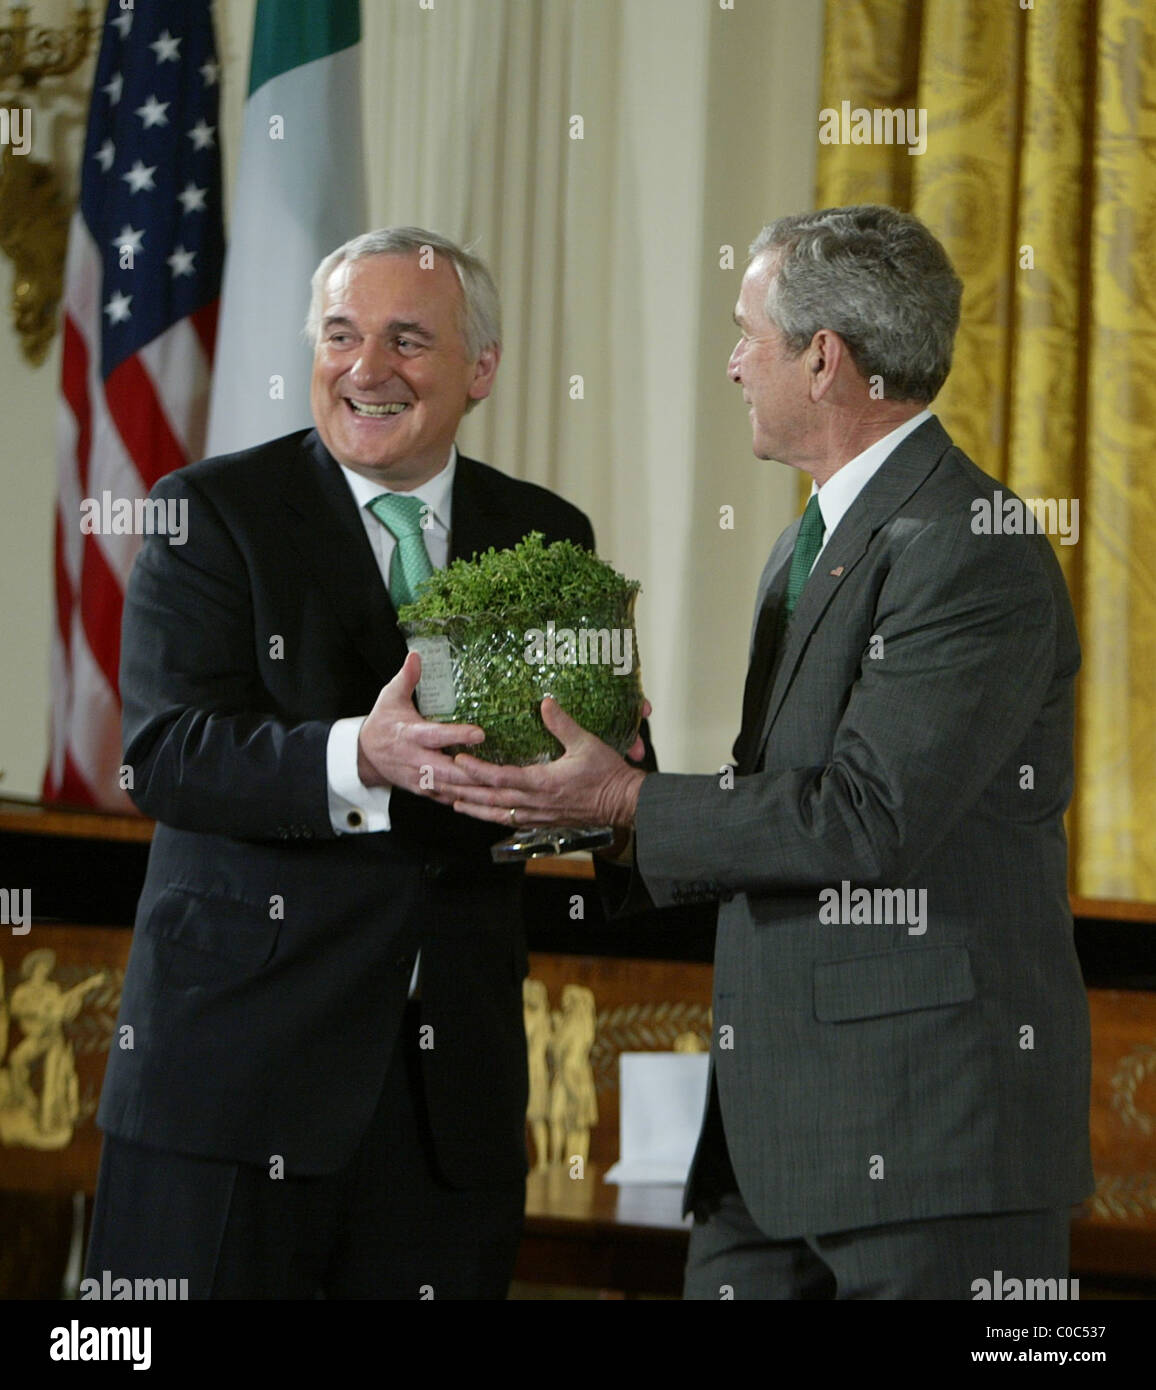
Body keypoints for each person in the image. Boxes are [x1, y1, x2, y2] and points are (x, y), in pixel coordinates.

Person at [451, 205, 1095, 1299]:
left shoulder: (966, 546)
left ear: (823, 357)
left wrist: (630, 802)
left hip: (927, 1147)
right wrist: (610, 794)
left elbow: (864, 820)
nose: (734, 363)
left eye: (748, 333)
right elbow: (779, 811)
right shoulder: (810, 542)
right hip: (770, 1146)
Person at [85, 226, 601, 1299]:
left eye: (407, 340)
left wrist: (603, 772)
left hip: (445, 1110)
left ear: (481, 369)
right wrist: (357, 756)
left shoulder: (544, 533)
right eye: (340, 335)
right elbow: (165, 755)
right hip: (236, 1087)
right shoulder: (210, 513)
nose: (366, 368)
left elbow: (548, 791)